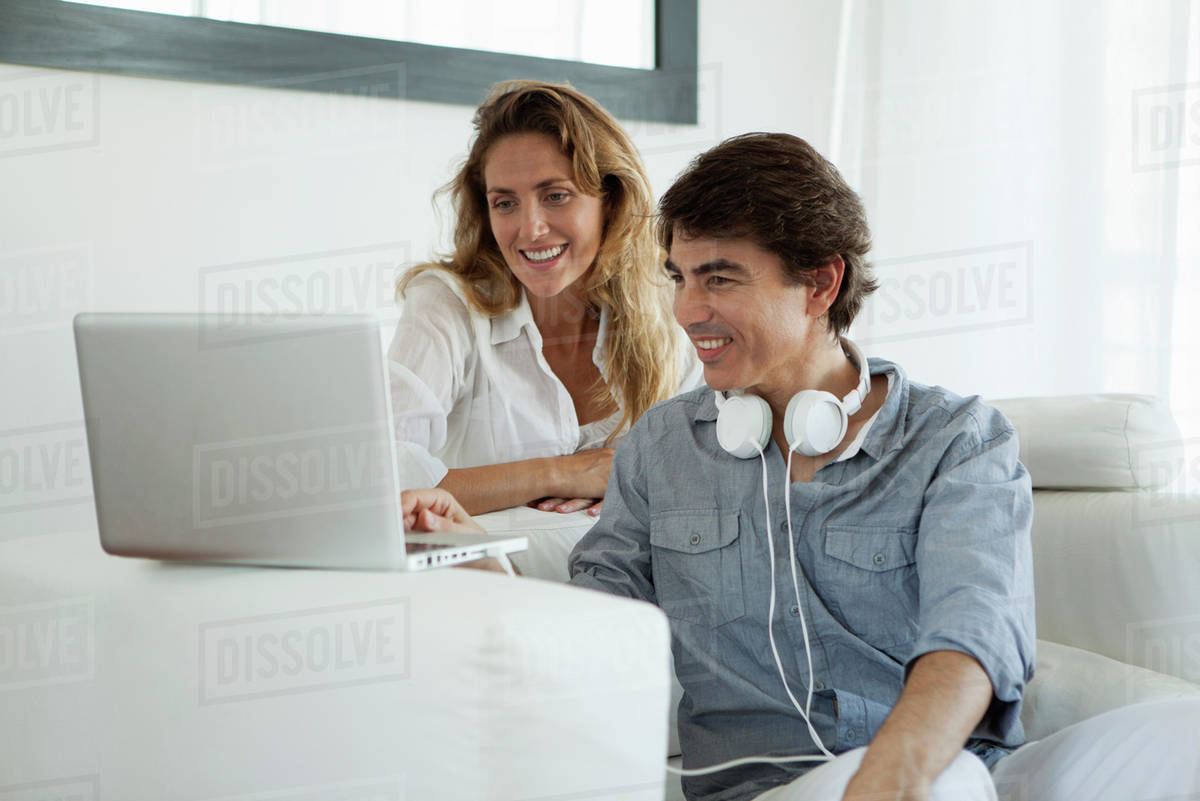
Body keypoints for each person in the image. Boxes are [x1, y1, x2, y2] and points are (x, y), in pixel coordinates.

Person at [407, 132, 1200, 801]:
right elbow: (596, 631)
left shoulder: (958, 440)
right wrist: (478, 557)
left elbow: (974, 638)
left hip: (942, 769)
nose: (687, 310)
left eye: (720, 277)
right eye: (681, 277)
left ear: (821, 281)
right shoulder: (658, 449)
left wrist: (893, 777)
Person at [389, 80, 702, 517]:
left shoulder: (669, 298)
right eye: (505, 203)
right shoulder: (447, 305)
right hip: (488, 578)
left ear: (610, 200)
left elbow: (709, 468)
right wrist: (563, 472)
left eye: (556, 196)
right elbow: (388, 482)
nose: (530, 228)